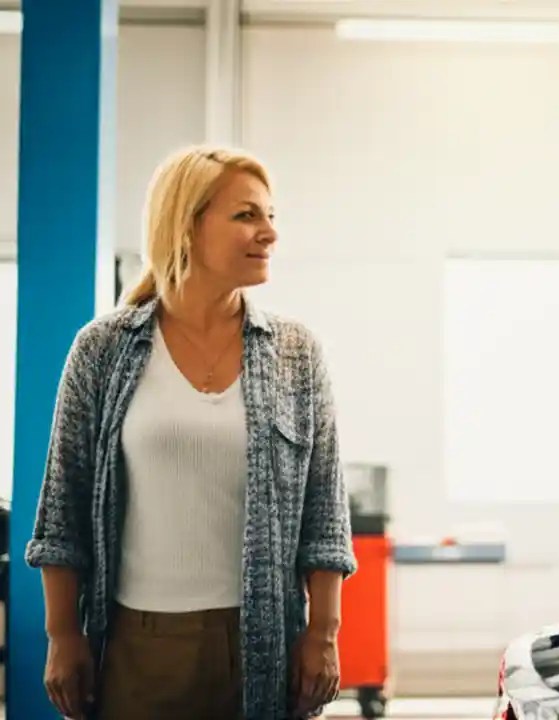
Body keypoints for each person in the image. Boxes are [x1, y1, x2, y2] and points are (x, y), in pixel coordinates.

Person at [25, 145, 357, 719]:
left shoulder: (295, 353)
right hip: (137, 645)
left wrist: (323, 633)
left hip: (263, 646)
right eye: (246, 215)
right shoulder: (104, 350)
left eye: (271, 216)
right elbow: (63, 508)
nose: (269, 233)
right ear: (186, 224)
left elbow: (324, 513)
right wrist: (63, 635)